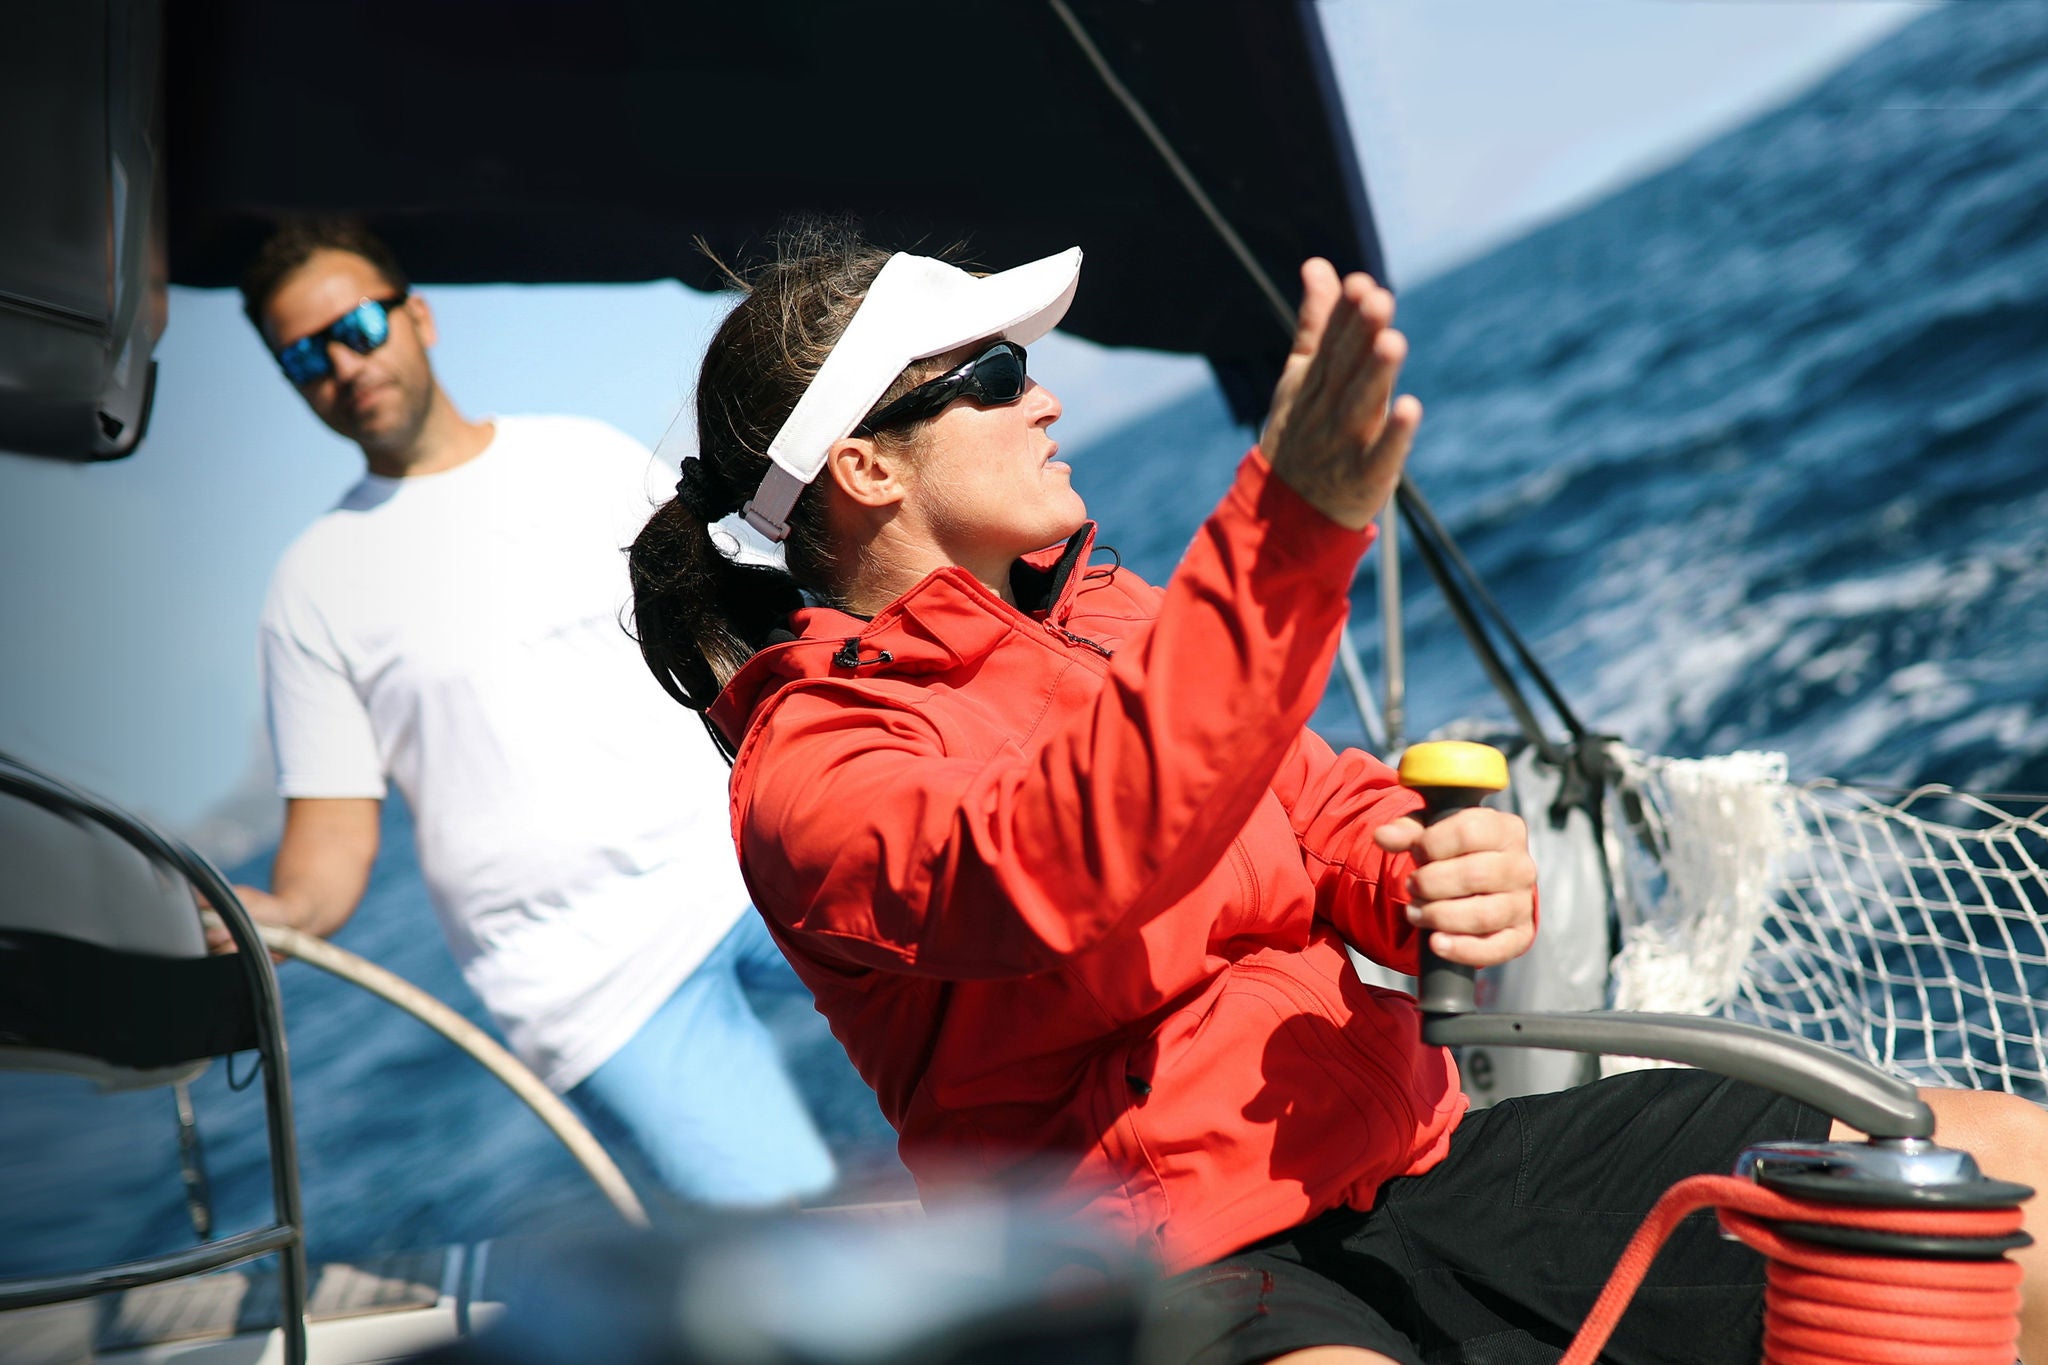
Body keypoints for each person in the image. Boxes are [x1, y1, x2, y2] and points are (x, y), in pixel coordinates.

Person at [624, 222, 2048, 1364]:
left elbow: (1317, 802)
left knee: (1994, 1188)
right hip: (1168, 1276)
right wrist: (1291, 531)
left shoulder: (1113, 618)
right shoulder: (810, 769)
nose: (1046, 394)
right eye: (993, 378)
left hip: (1409, 1163)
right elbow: (1059, 855)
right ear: (865, 467)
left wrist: (1418, 870)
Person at [225, 217, 871, 1209]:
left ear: (418, 317)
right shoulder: (308, 587)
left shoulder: (580, 458)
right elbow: (328, 849)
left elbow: (746, 634)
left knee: (1002, 1063)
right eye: (305, 355)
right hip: (594, 983)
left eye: (357, 323)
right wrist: (265, 917)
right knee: (798, 1244)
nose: (344, 363)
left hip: (759, 863)